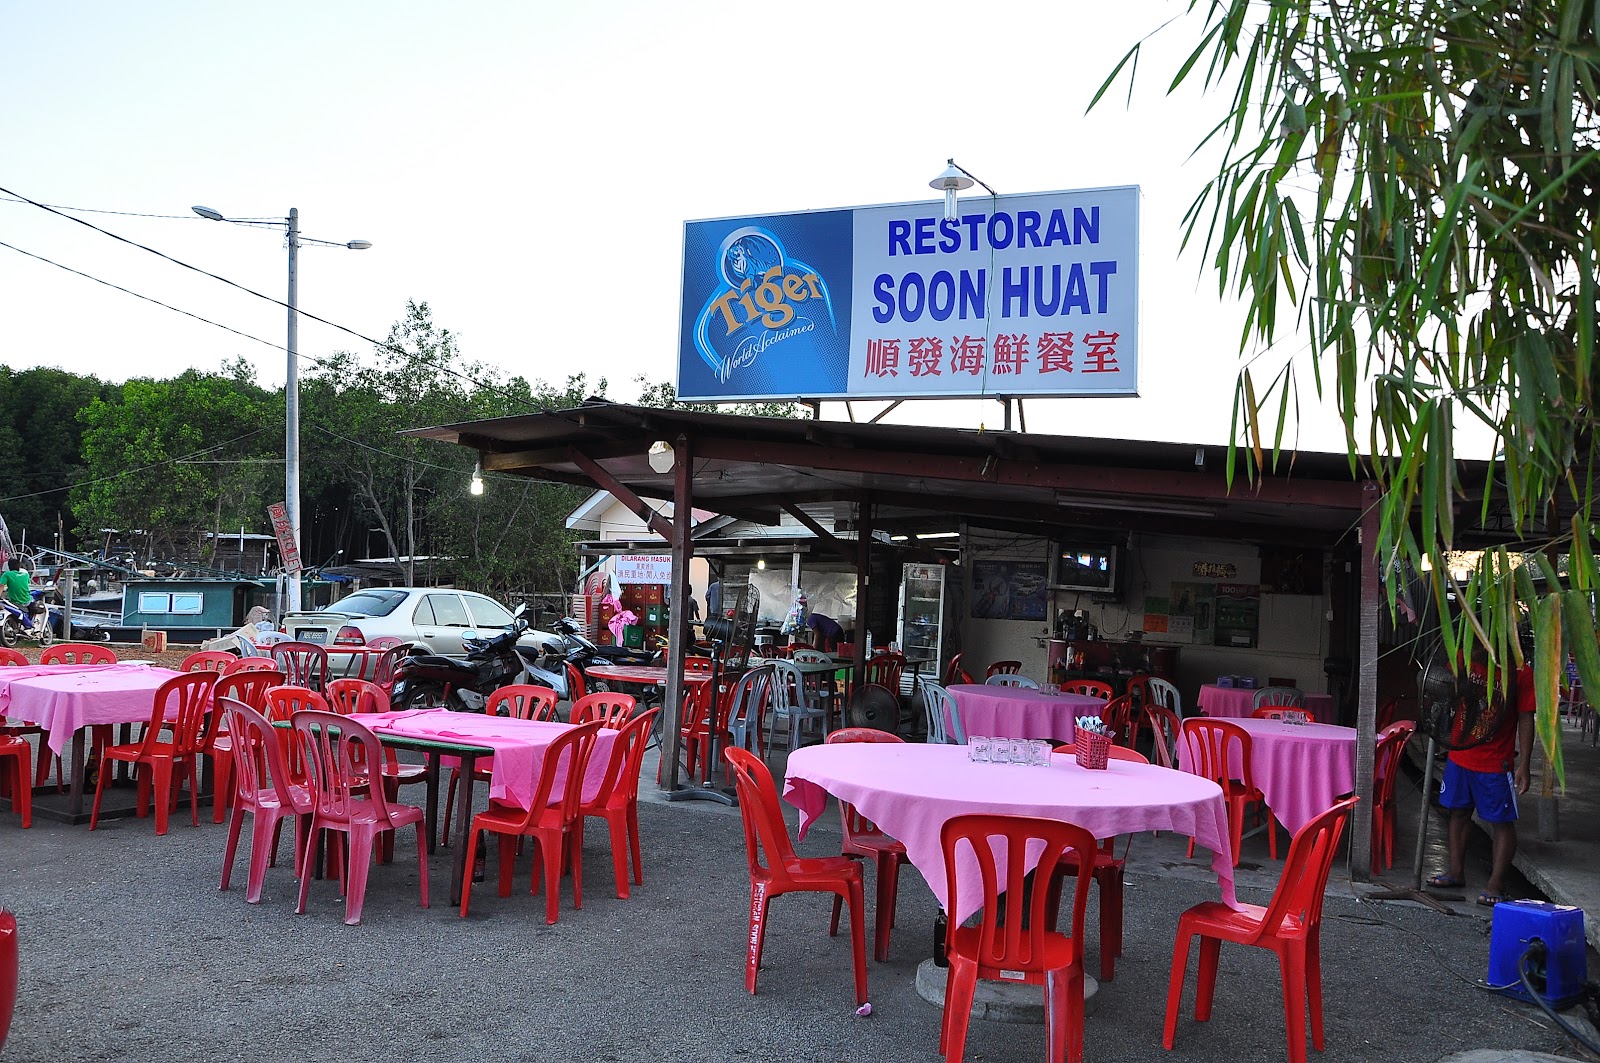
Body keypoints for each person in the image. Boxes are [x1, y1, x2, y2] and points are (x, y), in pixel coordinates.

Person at [1429, 655, 1536, 906]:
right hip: (1460, 754)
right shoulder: (1463, 656)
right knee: (1458, 813)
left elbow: (1525, 717)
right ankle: (1456, 871)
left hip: (1495, 761)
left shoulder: (1520, 672)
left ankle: (1496, 883)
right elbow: (1443, 690)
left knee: (1501, 822)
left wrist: (1525, 764)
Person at [0, 559, 45, 634]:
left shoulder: (6, 574)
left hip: (15, 601)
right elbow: (25, 585)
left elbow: (1, 586)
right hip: (27, 600)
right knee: (33, 600)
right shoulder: (25, 574)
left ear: (9, 567)